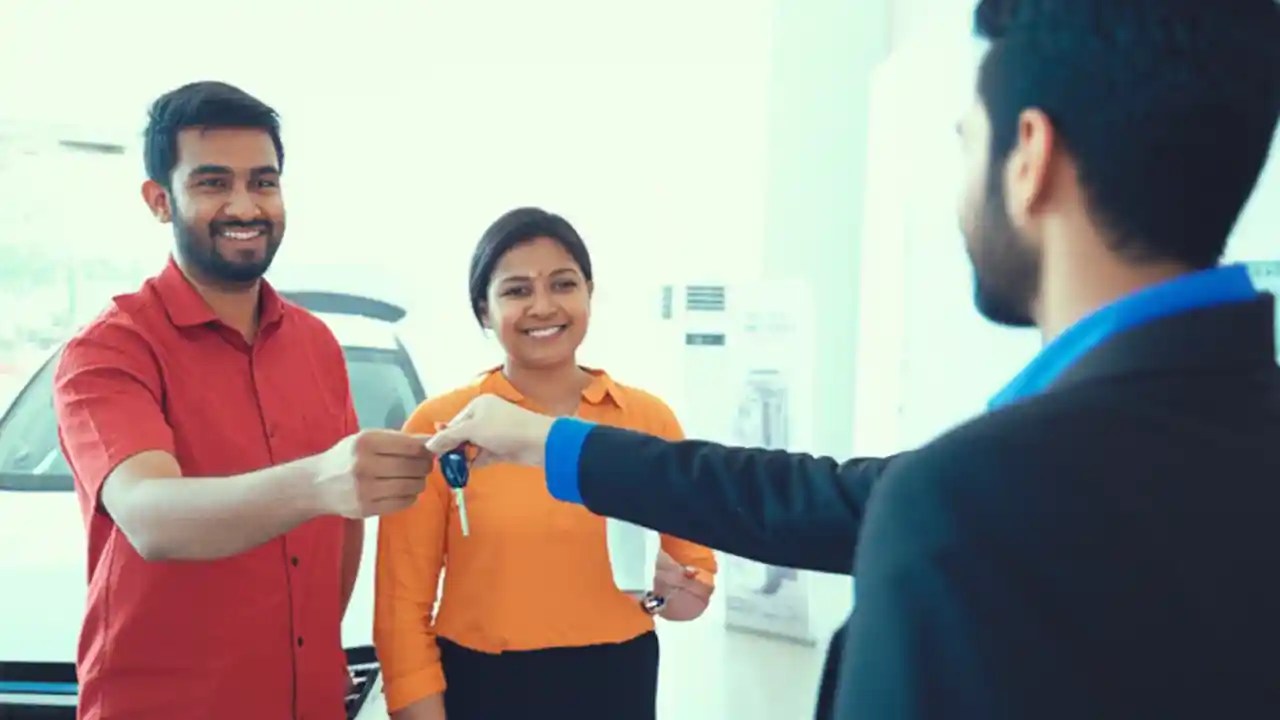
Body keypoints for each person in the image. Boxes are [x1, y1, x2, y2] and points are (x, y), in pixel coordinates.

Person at [425, 1, 1280, 718]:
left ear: (1029, 158)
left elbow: (888, 503)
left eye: (963, 140)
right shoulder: (1209, 441)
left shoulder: (966, 509)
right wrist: (549, 441)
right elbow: (823, 499)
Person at [53, 81, 434, 720]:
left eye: (263, 181)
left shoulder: (315, 343)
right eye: (211, 183)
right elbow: (151, 517)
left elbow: (341, 538)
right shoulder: (111, 349)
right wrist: (320, 481)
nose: (244, 204)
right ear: (159, 200)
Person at [373, 207, 717, 719]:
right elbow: (402, 609)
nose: (543, 306)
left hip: (617, 682)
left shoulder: (645, 420)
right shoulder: (443, 425)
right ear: (484, 311)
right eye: (516, 290)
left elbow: (692, 592)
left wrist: (670, 590)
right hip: (484, 685)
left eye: (563, 284)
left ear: (589, 294)